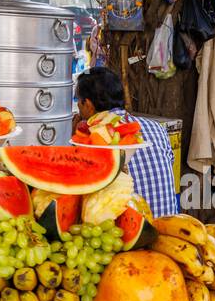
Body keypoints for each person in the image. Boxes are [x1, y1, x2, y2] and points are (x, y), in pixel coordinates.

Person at [75, 67, 177, 216]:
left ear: (88, 104)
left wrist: (75, 137)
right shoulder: (157, 128)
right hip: (170, 223)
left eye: (78, 100)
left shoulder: (90, 140)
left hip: (133, 228)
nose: (77, 106)